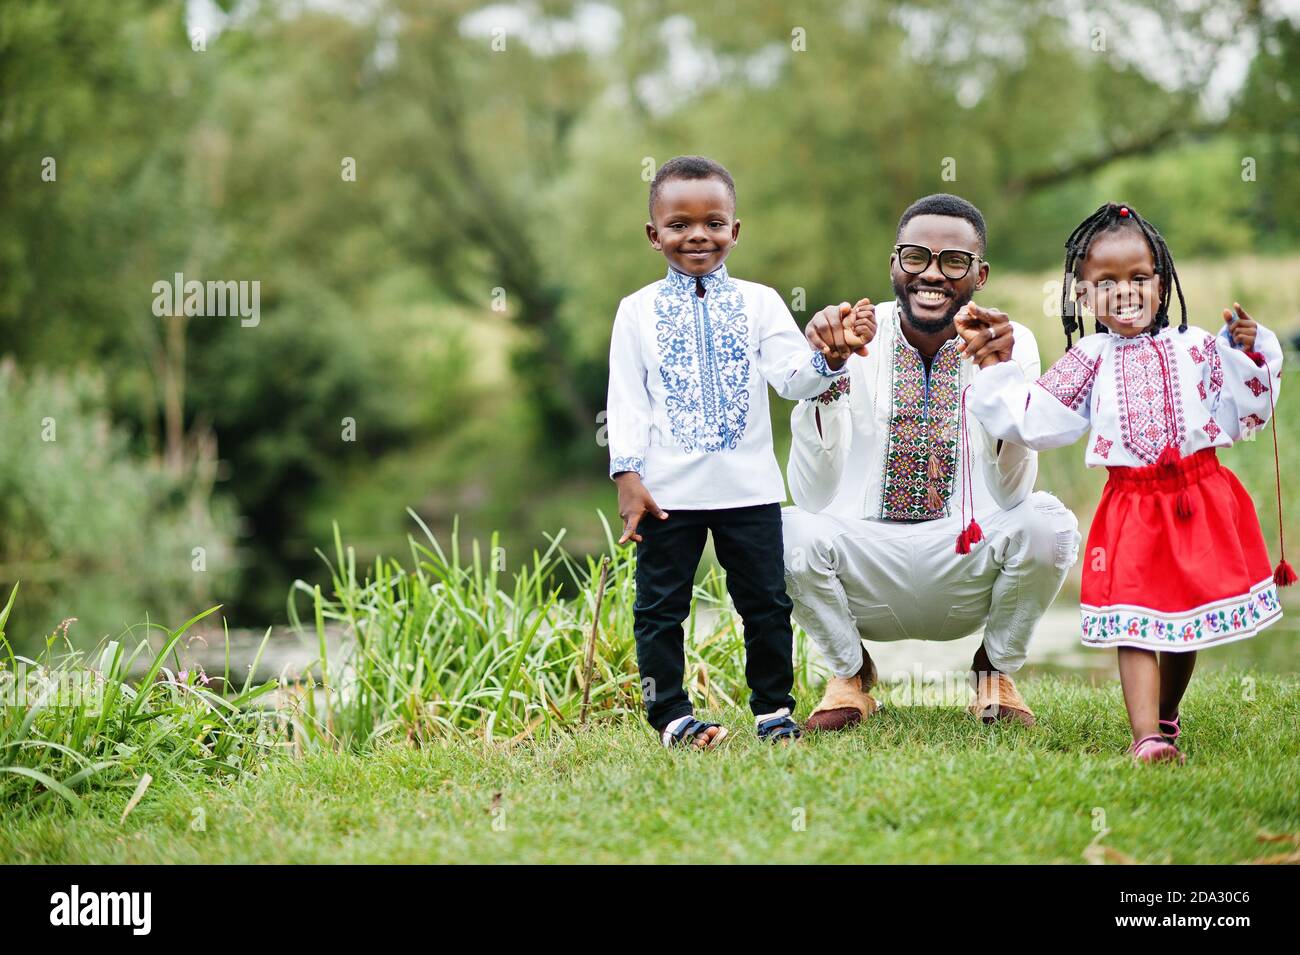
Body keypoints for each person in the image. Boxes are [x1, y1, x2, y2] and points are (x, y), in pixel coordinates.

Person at [961, 201, 1289, 764]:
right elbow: (1033, 415)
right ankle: (1148, 739)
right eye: (1106, 283)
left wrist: (1251, 348)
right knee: (1135, 619)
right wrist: (996, 367)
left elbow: (1246, 408)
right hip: (1131, 505)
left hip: (1197, 495)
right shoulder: (1088, 358)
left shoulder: (1196, 346)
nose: (1126, 292)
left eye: (1139, 278)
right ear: (1084, 298)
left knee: (1184, 625)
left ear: (1160, 286)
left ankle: (1166, 713)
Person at [784, 193, 1081, 732]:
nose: (933, 275)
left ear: (980, 273)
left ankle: (994, 673)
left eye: (954, 262)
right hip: (866, 560)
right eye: (916, 257)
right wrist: (826, 372)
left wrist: (999, 373)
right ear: (894, 263)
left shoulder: (1009, 341)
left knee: (1049, 522)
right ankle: (850, 676)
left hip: (964, 560)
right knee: (779, 530)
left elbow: (1012, 494)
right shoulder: (853, 333)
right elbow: (810, 495)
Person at [605, 156, 867, 748]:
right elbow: (625, 400)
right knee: (659, 610)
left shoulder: (760, 302)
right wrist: (627, 474)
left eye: (713, 222)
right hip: (667, 492)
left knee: (766, 605)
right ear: (654, 235)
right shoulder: (637, 311)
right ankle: (671, 717)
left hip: (750, 489)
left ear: (735, 230)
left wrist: (832, 357)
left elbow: (792, 378)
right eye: (679, 224)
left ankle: (774, 711)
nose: (698, 235)